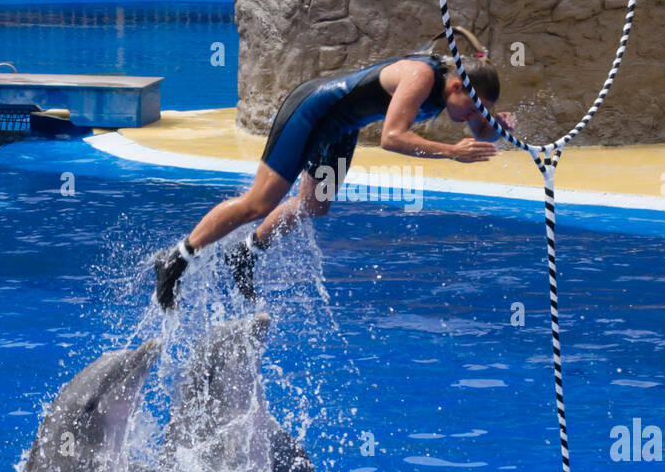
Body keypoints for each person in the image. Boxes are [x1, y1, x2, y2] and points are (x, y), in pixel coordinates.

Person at [153, 28, 512, 308]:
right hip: (312, 112)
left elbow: (479, 135)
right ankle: (177, 257)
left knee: (315, 205)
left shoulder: (453, 93)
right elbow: (392, 137)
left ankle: (245, 253)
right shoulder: (421, 77)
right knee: (260, 202)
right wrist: (452, 152)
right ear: (455, 86)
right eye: (471, 109)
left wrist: (496, 129)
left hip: (341, 129)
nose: (470, 119)